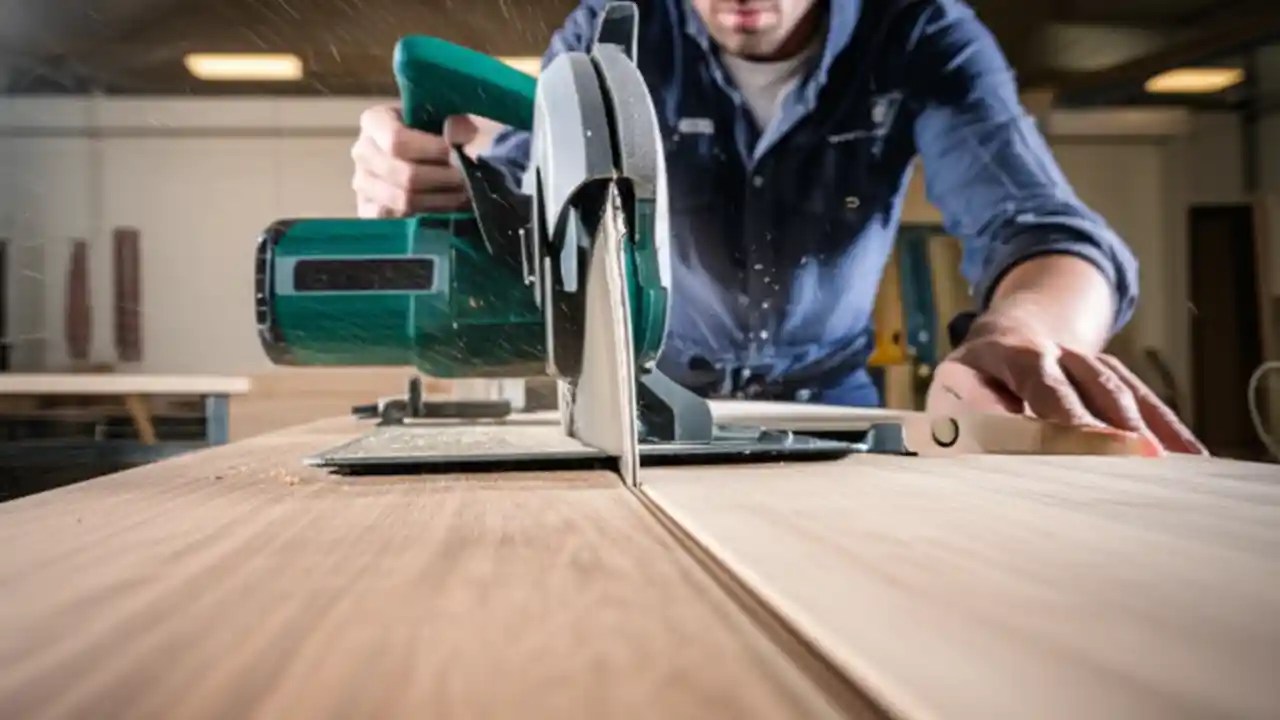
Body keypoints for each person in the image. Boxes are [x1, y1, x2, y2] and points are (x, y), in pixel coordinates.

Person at [349, 0, 1206, 455]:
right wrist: (438, 180)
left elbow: (1044, 229)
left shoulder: (920, 29)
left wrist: (1024, 330)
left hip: (834, 405)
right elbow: (529, 191)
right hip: (648, 401)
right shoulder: (613, 28)